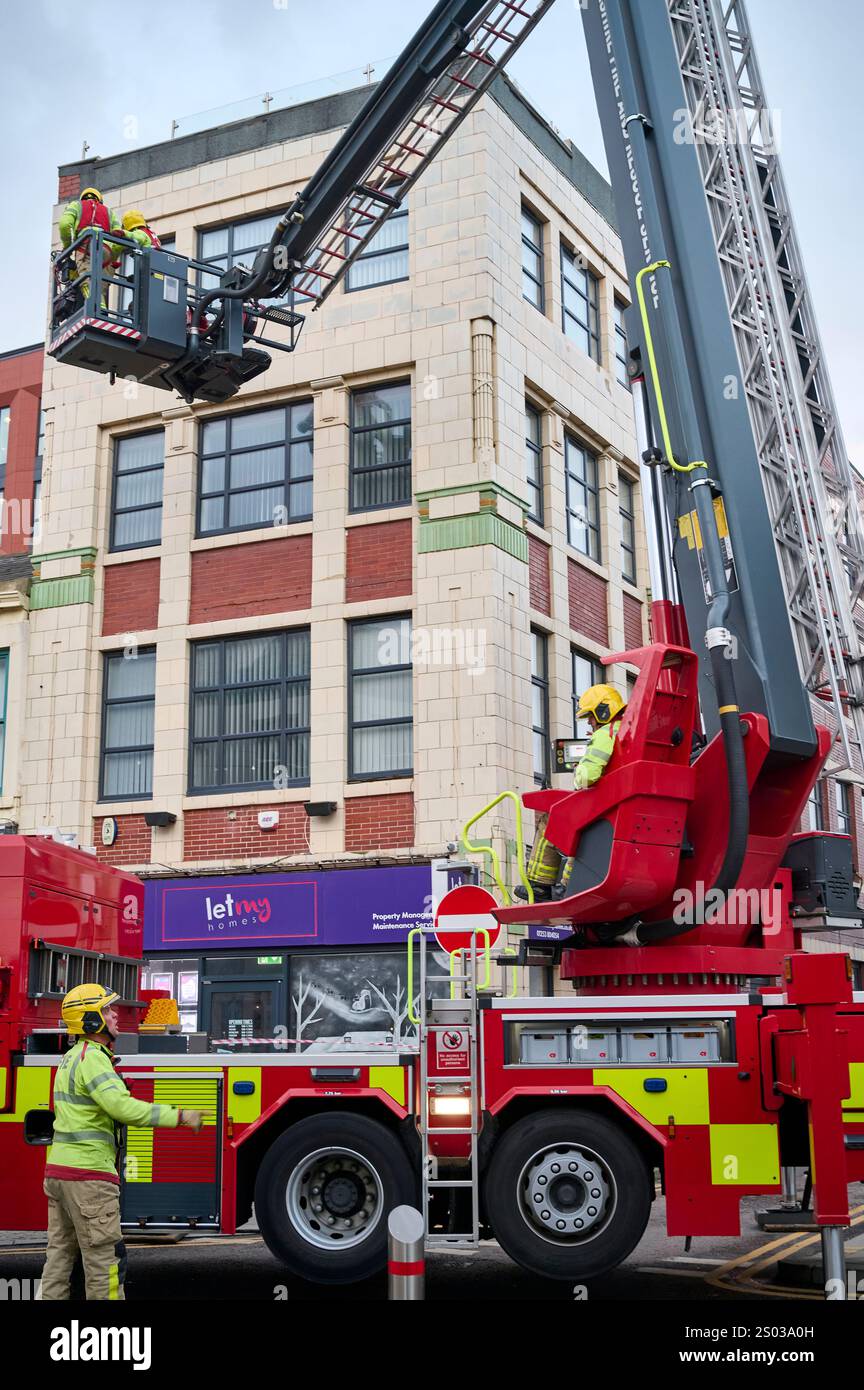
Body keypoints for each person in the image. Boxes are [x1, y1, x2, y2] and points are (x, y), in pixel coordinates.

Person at [41, 983, 204, 1301]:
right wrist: (180, 1115)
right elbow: (122, 1108)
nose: (114, 1014)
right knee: (105, 1265)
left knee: (58, 1261)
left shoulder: (72, 1057)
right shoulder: (93, 1059)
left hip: (60, 1174)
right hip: (89, 1177)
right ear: (90, 1021)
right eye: (106, 1010)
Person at [516, 684, 627, 901]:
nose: (590, 722)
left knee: (552, 816)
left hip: (600, 806)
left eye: (591, 717)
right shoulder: (627, 730)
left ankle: (540, 884)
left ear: (603, 711)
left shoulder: (606, 733)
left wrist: (580, 769)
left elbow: (587, 777)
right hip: (615, 806)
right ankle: (566, 884)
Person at [58, 188, 123, 309]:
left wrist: (68, 248)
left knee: (86, 281)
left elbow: (64, 225)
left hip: (86, 245)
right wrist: (112, 258)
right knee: (101, 283)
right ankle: (101, 307)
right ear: (99, 199)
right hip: (106, 248)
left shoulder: (77, 205)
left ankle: (96, 307)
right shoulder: (109, 212)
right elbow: (118, 235)